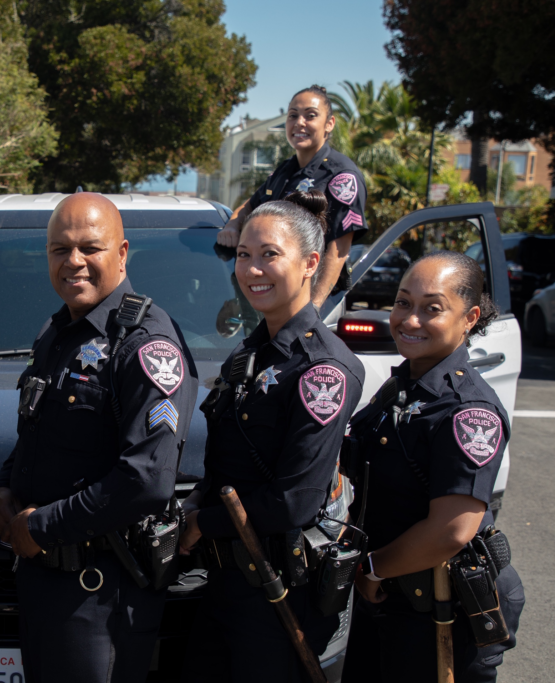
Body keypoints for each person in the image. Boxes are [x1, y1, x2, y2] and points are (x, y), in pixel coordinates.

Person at [0, 193, 199, 683]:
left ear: (122, 253)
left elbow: (146, 480)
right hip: (47, 580)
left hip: (100, 588)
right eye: (59, 250)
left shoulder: (146, 346)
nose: (73, 261)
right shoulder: (61, 331)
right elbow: (40, 429)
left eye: (90, 248)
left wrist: (39, 526)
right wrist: (3, 487)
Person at [178, 190, 366, 682]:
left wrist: (201, 522)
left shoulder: (323, 367)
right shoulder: (251, 353)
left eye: (269, 255)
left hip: (279, 589)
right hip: (224, 583)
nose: (252, 269)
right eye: (243, 255)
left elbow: (294, 502)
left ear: (309, 264)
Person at [341, 251, 525, 682]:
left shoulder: (467, 410)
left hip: (445, 610)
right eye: (403, 303)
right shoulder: (400, 389)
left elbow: (452, 530)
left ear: (470, 317)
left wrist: (372, 568)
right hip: (393, 599)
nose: (410, 319)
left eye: (432, 308)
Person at [217, 85, 368, 309]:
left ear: (329, 124)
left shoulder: (342, 176)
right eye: (293, 115)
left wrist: (312, 309)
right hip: (277, 292)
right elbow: (250, 206)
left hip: (313, 298)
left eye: (311, 115)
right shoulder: (284, 171)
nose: (299, 122)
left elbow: (338, 252)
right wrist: (233, 224)